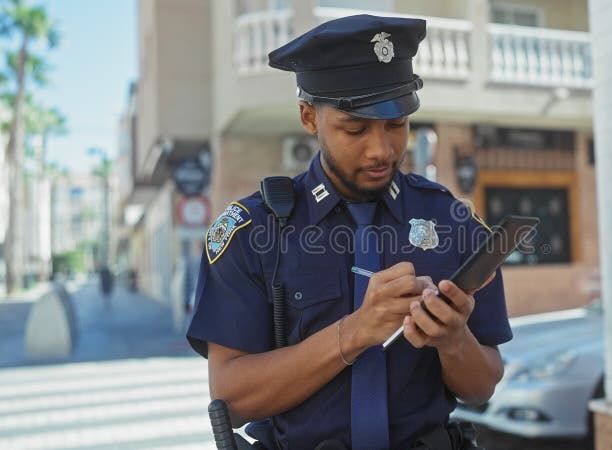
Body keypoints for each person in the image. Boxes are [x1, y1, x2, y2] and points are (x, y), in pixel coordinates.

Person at [187, 14, 512, 450]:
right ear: (308, 117)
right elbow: (231, 397)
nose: (381, 150)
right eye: (354, 129)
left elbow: (482, 386)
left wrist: (453, 340)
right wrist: (356, 331)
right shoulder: (251, 232)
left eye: (396, 124)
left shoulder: (453, 222)